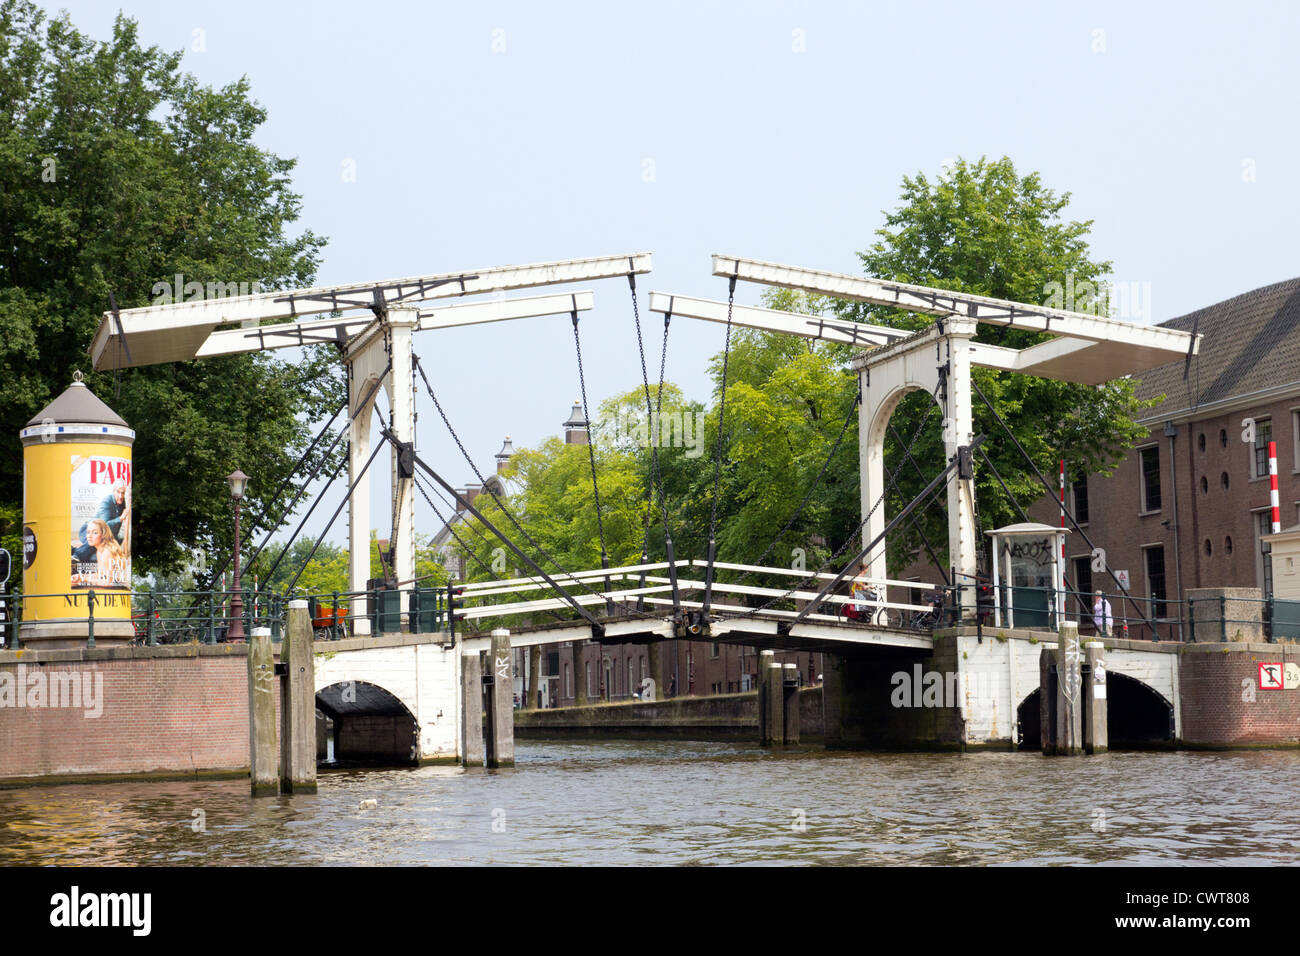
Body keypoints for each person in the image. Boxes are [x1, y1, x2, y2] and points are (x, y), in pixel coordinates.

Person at [71, 518, 128, 587]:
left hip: (123, 587)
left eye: (95, 533)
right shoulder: (100, 550)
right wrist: (80, 576)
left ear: (103, 534)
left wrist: (83, 579)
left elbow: (109, 583)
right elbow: (100, 574)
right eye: (88, 532)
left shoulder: (107, 553)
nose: (89, 536)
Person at [78, 480, 130, 548]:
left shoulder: (122, 501)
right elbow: (104, 524)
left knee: (116, 543)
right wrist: (120, 518)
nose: (120, 496)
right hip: (87, 532)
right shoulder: (106, 501)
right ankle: (76, 553)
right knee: (99, 544)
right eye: (118, 492)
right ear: (113, 491)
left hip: (105, 533)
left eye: (122, 493)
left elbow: (118, 526)